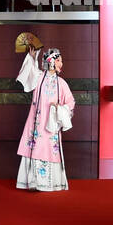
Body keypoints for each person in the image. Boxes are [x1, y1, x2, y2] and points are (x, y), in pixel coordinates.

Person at [15, 43, 76, 192]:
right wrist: (32, 57)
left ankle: (51, 184)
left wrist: (60, 108)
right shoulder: (38, 78)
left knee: (49, 148)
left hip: (50, 125)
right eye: (59, 60)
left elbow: (71, 102)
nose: (61, 63)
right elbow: (29, 73)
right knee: (35, 147)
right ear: (51, 61)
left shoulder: (61, 83)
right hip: (36, 124)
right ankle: (32, 182)